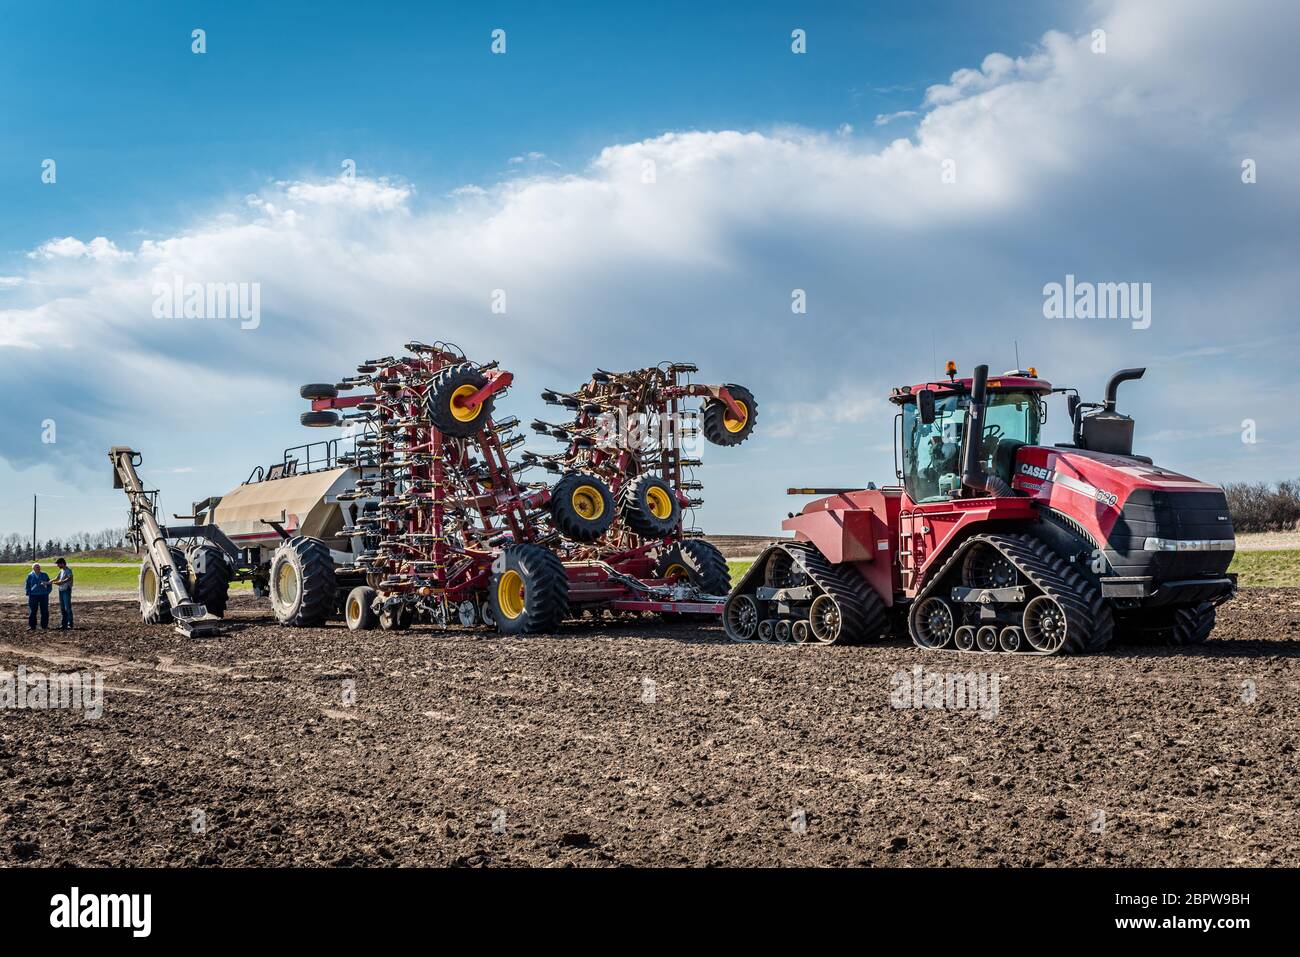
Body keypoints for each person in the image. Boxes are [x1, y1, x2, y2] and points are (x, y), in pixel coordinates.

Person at [24, 562, 52, 631]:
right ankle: (32, 626)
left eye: (39, 567)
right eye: (37, 567)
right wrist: (29, 593)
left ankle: (44, 626)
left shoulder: (44, 575)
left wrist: (47, 592)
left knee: (45, 611)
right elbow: (27, 586)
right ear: (33, 568)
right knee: (33, 611)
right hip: (33, 596)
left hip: (43, 595)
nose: (38, 568)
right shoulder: (30, 576)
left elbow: (49, 583)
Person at [52, 557, 74, 630]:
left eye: (58, 564)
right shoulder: (61, 571)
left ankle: (70, 624)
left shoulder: (68, 570)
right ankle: (63, 623)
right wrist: (49, 581)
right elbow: (56, 578)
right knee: (62, 608)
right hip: (61, 590)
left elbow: (68, 579)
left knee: (67, 607)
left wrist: (59, 583)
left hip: (66, 590)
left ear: (62, 563)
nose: (57, 566)